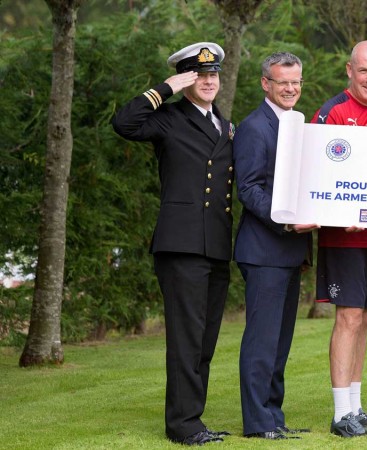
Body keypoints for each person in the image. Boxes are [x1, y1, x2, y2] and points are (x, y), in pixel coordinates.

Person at [112, 42, 234, 446]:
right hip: (181, 245)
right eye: (200, 75)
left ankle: (193, 419)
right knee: (186, 338)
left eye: (213, 74)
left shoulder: (225, 125)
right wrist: (162, 89)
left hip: (216, 245)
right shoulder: (168, 119)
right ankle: (182, 425)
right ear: (186, 80)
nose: (209, 80)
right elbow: (124, 123)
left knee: (205, 340)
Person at [312, 40, 367, 438]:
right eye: (363, 70)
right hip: (343, 238)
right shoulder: (332, 112)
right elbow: (315, 174)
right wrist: (337, 212)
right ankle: (339, 414)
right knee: (347, 317)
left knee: (364, 319)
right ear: (349, 70)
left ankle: (356, 406)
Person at [233, 52, 319, 440]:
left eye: (296, 82)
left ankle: (274, 417)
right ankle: (257, 423)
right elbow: (248, 188)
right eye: (283, 82)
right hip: (264, 250)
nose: (291, 88)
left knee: (280, 344)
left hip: (290, 251)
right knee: (262, 342)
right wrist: (286, 219)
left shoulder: (298, 126)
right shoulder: (255, 126)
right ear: (265, 83)